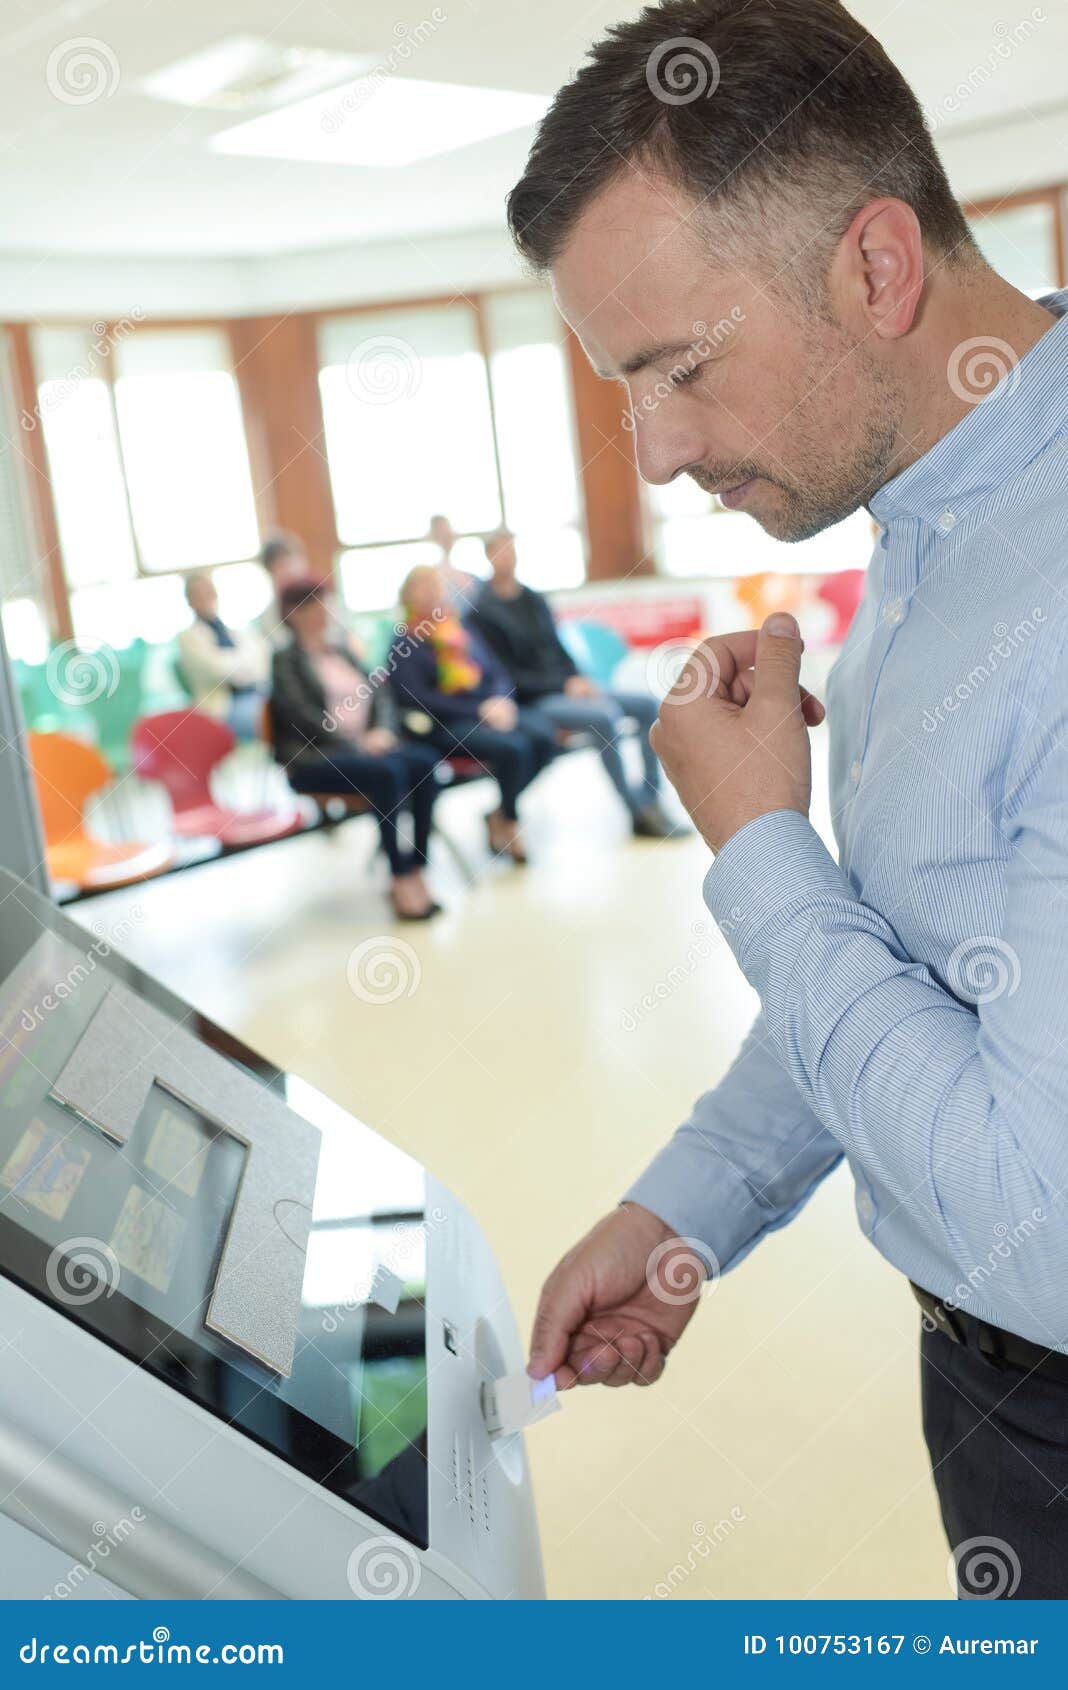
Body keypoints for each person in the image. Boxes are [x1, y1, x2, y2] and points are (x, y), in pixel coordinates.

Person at [510, 0, 1068, 1598]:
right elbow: (915, 969)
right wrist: (689, 1207)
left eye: (678, 368)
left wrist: (760, 846)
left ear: (877, 268)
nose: (653, 452)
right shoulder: (931, 514)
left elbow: (1041, 1227)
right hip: (983, 1388)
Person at [469, 529, 681, 838]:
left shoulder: (533, 599)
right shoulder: (481, 611)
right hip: (534, 698)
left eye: (512, 550)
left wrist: (577, 677)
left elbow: (557, 647)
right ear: (489, 556)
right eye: (502, 552)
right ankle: (636, 812)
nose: (509, 558)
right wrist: (563, 685)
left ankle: (651, 800)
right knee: (604, 715)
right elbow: (505, 676)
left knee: (648, 705)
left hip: (567, 686)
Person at [271, 578, 442, 920]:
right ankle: (398, 875)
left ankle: (416, 865)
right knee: (388, 772)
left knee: (425, 763)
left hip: (368, 746)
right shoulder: (285, 660)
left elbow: (379, 692)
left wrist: (382, 731)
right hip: (316, 757)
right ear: (294, 612)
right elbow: (301, 717)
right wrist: (356, 744)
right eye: (315, 603)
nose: (324, 610)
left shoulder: (341, 650)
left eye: (325, 602)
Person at [387, 566, 557, 865]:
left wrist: (500, 700)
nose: (430, 591)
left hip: (488, 710)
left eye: (434, 584)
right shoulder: (405, 642)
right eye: (421, 586)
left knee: (544, 735)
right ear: (407, 595)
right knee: (513, 749)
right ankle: (510, 821)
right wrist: (478, 710)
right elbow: (416, 698)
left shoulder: (459, 629)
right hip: (444, 723)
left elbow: (496, 671)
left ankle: (500, 812)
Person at [178, 574, 269, 741]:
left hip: (257, 694)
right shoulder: (188, 637)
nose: (205, 598)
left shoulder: (235, 629)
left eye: (209, 592)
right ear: (189, 601)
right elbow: (217, 670)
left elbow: (261, 663)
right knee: (268, 721)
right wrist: (242, 662)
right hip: (223, 707)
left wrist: (232, 664)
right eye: (198, 594)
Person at [427, 513, 476, 611]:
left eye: (447, 535)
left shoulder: (469, 573)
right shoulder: (429, 574)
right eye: (440, 534)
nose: (445, 538)